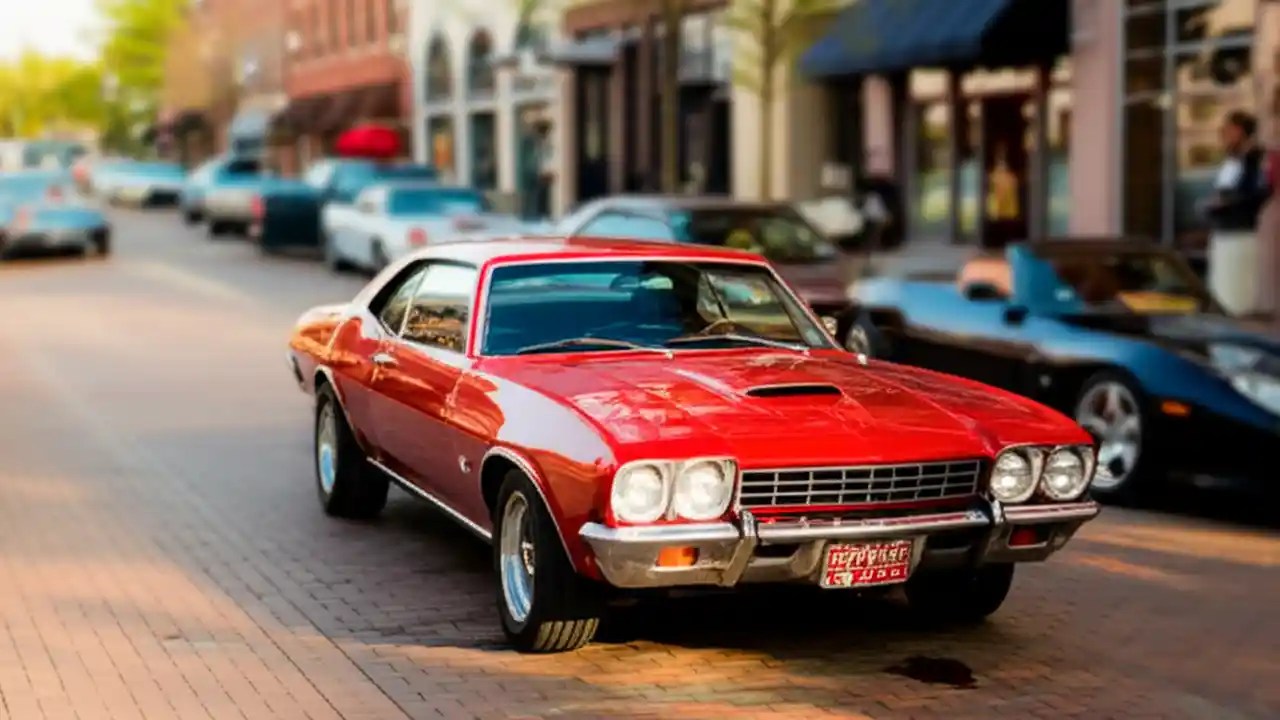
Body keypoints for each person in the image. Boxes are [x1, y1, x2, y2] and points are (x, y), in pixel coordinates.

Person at [1203, 110, 1271, 316]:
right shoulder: (1231, 162)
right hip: (1223, 234)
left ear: (1240, 131)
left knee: (1237, 296)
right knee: (1222, 292)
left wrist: (1226, 203)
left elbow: (1258, 194)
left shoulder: (1255, 160)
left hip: (1241, 234)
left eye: (1228, 129)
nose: (1223, 134)